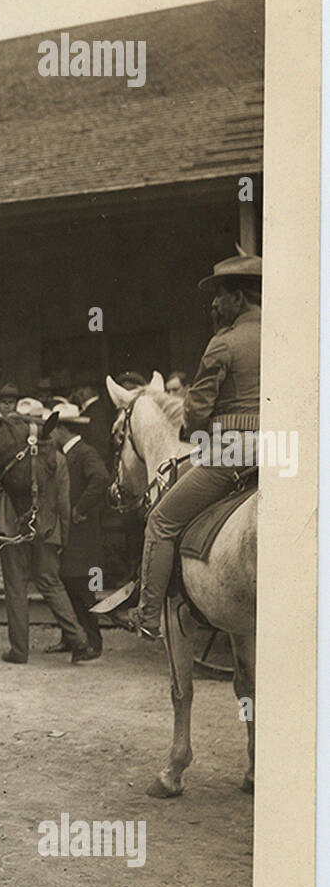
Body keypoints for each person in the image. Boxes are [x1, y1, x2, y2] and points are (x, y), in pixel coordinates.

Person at [133, 255, 261, 639]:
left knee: (161, 520)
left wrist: (195, 425)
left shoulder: (223, 343)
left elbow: (196, 413)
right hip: (286, 450)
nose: (214, 304)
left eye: (219, 296)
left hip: (234, 453)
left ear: (238, 299)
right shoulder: (290, 335)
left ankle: (149, 616)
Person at [0, 400, 97, 664]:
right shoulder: (58, 458)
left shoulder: (9, 457)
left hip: (12, 530)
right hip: (48, 529)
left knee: (16, 589)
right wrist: (62, 536)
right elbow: (64, 503)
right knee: (51, 584)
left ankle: (19, 651)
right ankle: (79, 640)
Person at [50, 402, 110, 657]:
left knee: (84, 589)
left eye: (52, 430)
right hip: (72, 535)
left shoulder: (85, 453)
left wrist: (81, 509)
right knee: (69, 583)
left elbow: (102, 478)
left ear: (62, 429)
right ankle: (71, 638)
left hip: (83, 535)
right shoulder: (69, 454)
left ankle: (93, 643)